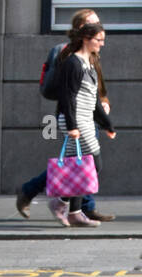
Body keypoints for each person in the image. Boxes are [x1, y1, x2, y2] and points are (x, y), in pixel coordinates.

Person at [15, 8, 115, 223]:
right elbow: (68, 91)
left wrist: (103, 103)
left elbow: (95, 84)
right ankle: (42, 195)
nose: (98, 28)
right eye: (92, 24)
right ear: (81, 28)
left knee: (80, 162)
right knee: (79, 163)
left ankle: (81, 208)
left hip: (89, 114)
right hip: (74, 116)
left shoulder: (92, 53)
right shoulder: (69, 54)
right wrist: (72, 123)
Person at [50, 22, 117, 227]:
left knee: (80, 168)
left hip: (85, 119)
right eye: (99, 39)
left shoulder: (89, 62)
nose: (102, 44)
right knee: (91, 165)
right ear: (86, 39)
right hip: (75, 119)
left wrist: (107, 125)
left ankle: (70, 210)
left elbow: (94, 100)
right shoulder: (73, 63)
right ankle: (64, 205)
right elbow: (68, 97)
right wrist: (72, 126)